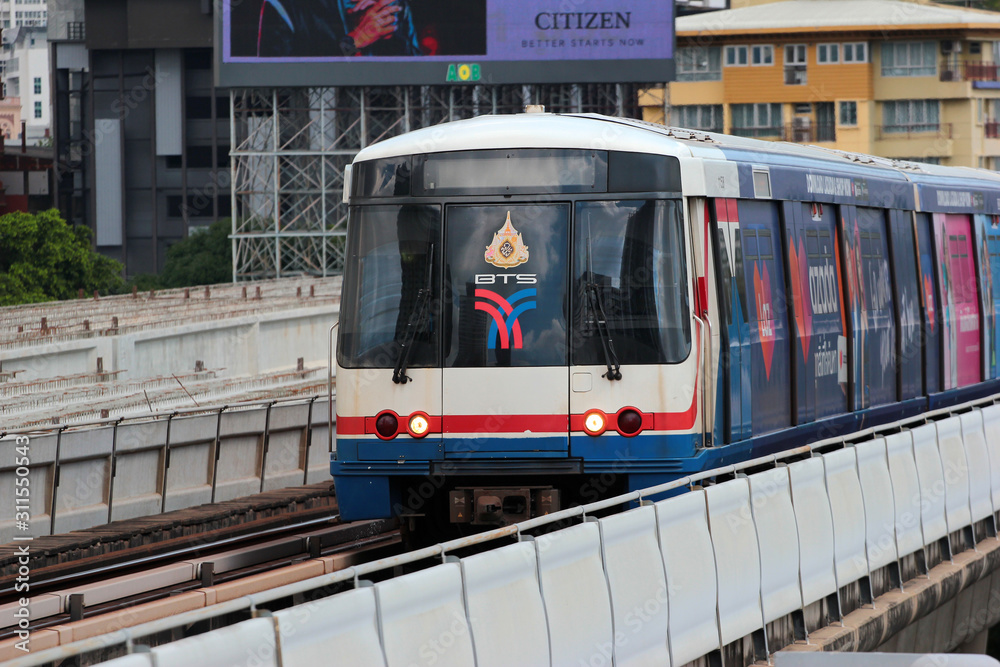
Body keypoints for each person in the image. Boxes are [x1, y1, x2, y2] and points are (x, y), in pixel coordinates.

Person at [256, 0, 421, 58]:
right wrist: (353, 41)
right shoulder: (283, 7)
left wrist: (390, 37)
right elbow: (281, 83)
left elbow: (418, 76)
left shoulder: (393, 6)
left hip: (385, 117)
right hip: (312, 122)